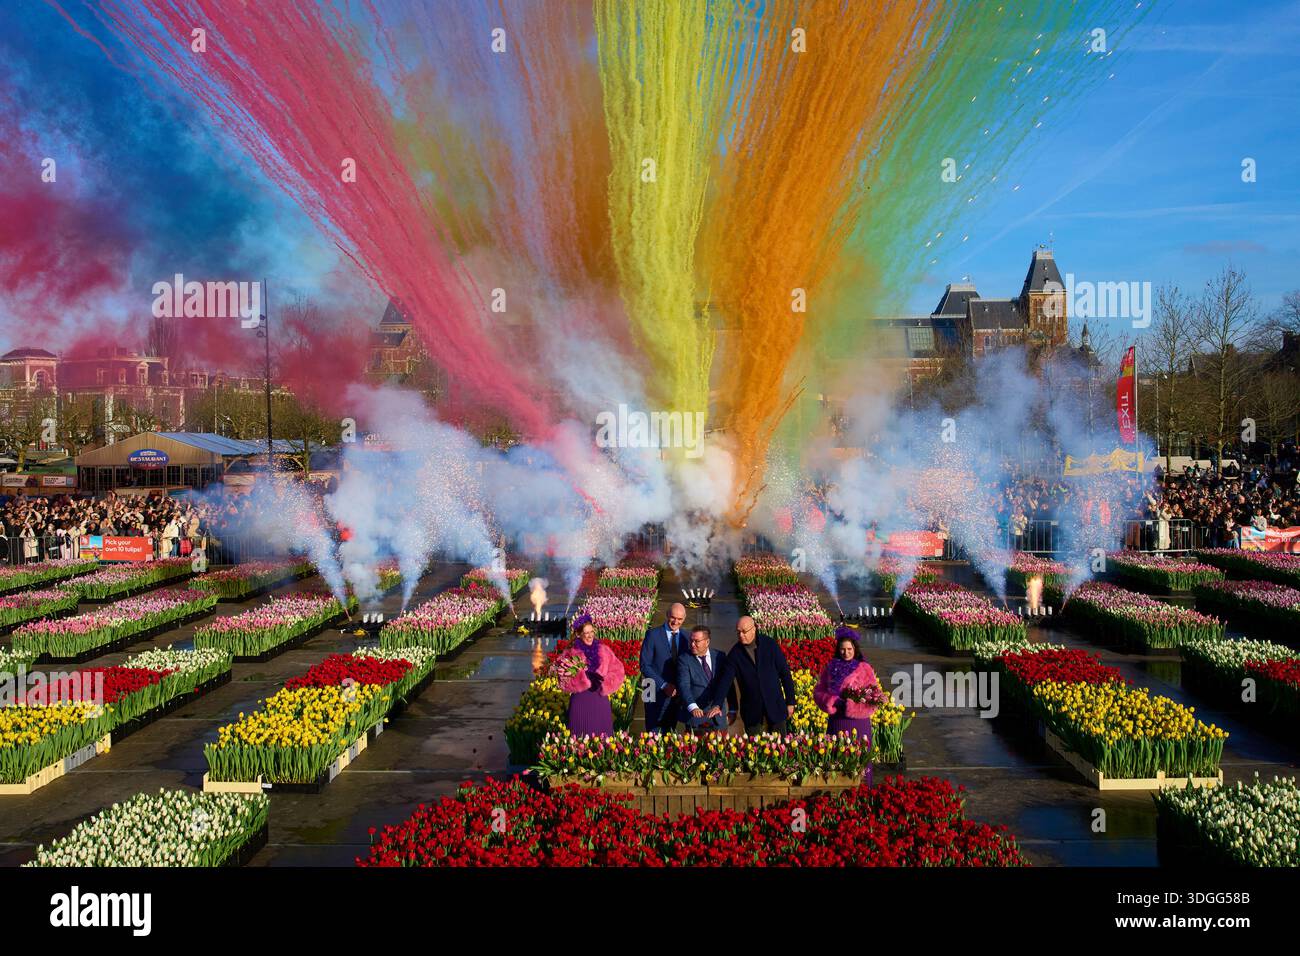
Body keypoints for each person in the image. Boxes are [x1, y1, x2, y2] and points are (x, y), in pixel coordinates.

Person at [715, 615, 796, 735]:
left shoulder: (769, 645)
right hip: (752, 710)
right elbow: (725, 681)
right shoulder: (735, 654)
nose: (741, 635)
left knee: (780, 746)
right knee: (754, 749)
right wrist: (717, 703)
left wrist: (790, 701)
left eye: (744, 631)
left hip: (775, 705)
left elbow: (785, 673)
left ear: (754, 629)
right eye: (738, 632)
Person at [554, 615, 625, 737]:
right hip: (580, 702)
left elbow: (618, 671)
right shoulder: (570, 654)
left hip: (600, 700)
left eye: (591, 631)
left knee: (602, 741)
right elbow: (562, 681)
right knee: (579, 742)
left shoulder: (604, 651)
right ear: (578, 634)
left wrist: (604, 683)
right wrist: (583, 679)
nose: (590, 635)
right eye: (586, 633)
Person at [813, 629, 880, 743]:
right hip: (837, 719)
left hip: (859, 721)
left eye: (849, 649)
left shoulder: (864, 668)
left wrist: (853, 704)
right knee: (837, 754)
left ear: (855, 649)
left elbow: (875, 695)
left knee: (860, 755)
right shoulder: (830, 668)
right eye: (842, 649)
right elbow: (819, 691)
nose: (846, 652)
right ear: (838, 650)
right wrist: (831, 701)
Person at [639, 602, 686, 732]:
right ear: (667, 615)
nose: (676, 622)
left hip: (676, 695)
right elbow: (644, 665)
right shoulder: (652, 635)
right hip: (653, 691)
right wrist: (664, 685)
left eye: (680, 619)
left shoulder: (686, 637)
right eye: (673, 617)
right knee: (653, 733)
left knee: (671, 733)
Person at [675, 625, 731, 734]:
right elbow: (683, 685)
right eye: (691, 640)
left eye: (696, 641)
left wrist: (733, 709)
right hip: (696, 719)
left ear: (707, 642)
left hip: (718, 718)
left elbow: (728, 684)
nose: (692, 644)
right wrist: (693, 707)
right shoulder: (684, 660)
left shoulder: (720, 656)